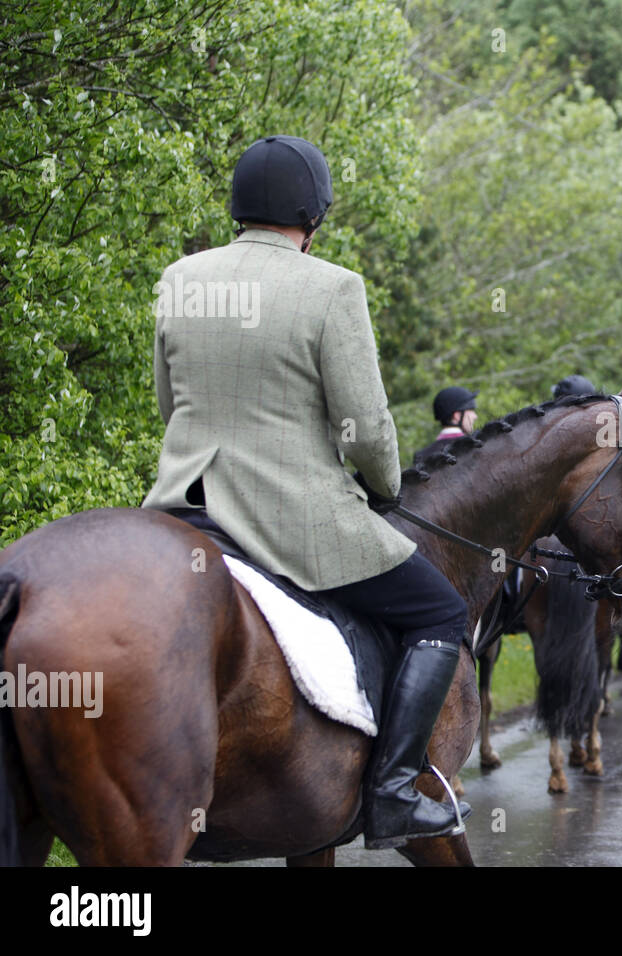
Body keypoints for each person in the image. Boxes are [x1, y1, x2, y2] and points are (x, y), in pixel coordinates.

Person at [141, 135, 469, 850]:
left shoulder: (179, 278)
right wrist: (384, 487)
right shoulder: (332, 287)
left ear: (238, 209)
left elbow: (171, 408)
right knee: (441, 612)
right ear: (311, 214)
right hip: (294, 519)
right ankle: (390, 794)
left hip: (183, 505)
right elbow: (367, 433)